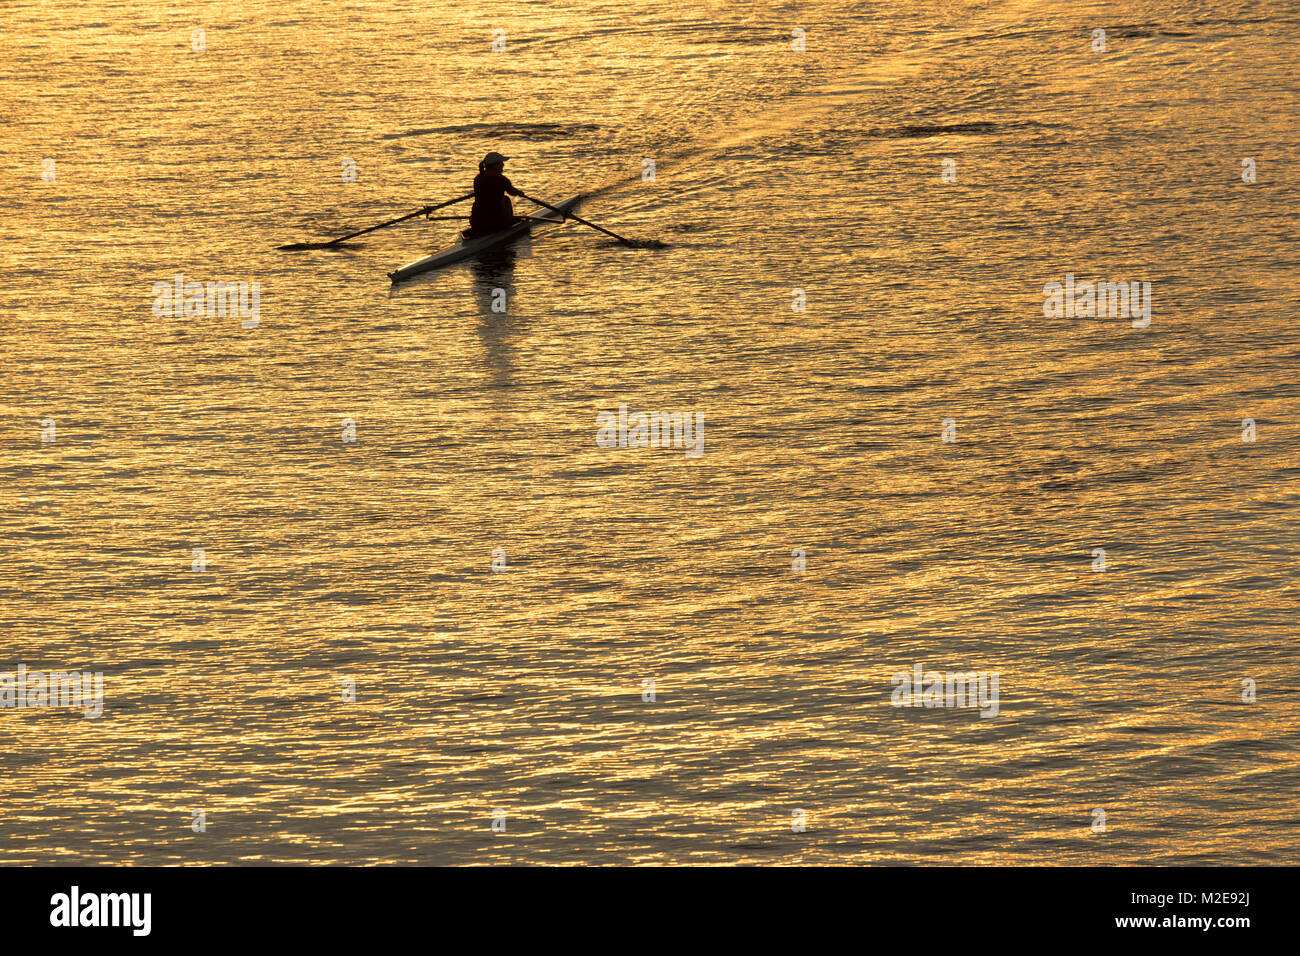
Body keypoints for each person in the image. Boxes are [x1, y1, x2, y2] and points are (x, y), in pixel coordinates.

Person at [464, 152, 521, 238]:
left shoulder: (478, 179)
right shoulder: (502, 180)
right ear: (496, 165)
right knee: (506, 199)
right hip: (496, 223)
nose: (503, 165)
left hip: (476, 222)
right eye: (501, 163)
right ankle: (509, 221)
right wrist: (520, 193)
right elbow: (512, 192)